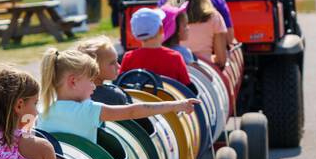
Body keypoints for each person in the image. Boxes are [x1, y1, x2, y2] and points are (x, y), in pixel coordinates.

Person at [35, 47, 197, 145]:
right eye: (91, 81)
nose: (94, 86)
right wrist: (176, 105)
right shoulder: (88, 110)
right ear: (73, 81)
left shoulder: (43, 110)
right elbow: (133, 111)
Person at [119, 7, 192, 88]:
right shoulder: (175, 57)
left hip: (139, 99)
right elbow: (187, 88)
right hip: (169, 99)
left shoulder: (129, 58)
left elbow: (121, 83)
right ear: (161, 29)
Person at [169, 0, 227, 69]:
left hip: (174, 67)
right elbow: (221, 60)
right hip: (204, 68)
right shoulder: (214, 17)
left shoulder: (168, 18)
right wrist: (209, 59)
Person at [77, 36, 131, 106]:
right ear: (93, 67)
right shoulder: (114, 96)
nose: (119, 66)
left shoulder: (73, 95)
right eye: (112, 63)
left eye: (117, 61)